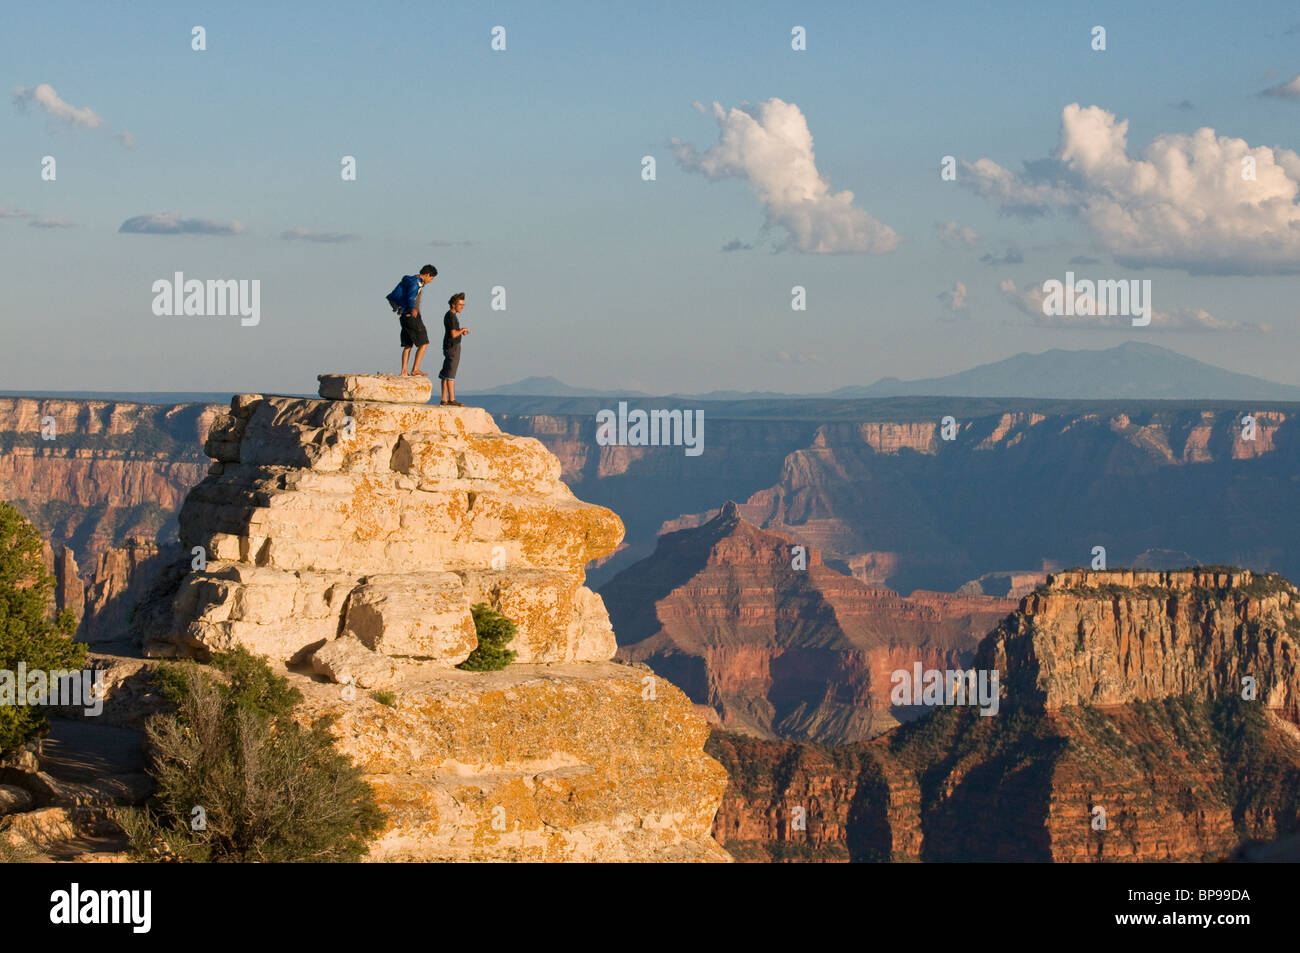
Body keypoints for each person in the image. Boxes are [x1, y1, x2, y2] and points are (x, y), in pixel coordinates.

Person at [386, 264, 438, 376]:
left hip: (403, 315)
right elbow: (410, 297)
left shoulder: (409, 280)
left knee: (407, 345)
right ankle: (415, 369)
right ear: (428, 275)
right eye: (431, 278)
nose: (431, 281)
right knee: (424, 343)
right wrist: (413, 309)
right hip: (411, 314)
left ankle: (404, 371)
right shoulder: (416, 283)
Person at [439, 292, 469, 406]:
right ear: (453, 304)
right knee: (451, 374)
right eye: (460, 304)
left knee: (445, 373)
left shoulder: (449, 315)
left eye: (463, 305)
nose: (462, 307)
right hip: (453, 347)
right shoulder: (451, 317)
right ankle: (451, 399)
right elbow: (453, 333)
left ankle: (444, 399)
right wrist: (462, 330)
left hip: (448, 345)